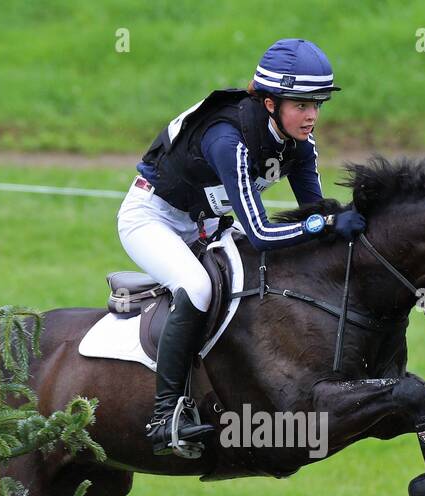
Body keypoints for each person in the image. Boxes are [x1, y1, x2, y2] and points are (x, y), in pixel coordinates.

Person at [119, 37, 367, 457]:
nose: (312, 116)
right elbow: (263, 234)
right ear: (270, 102)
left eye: (318, 104)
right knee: (197, 288)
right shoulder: (226, 137)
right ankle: (165, 418)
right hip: (152, 219)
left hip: (206, 224)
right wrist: (326, 223)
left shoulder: (299, 144)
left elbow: (316, 212)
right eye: (301, 104)